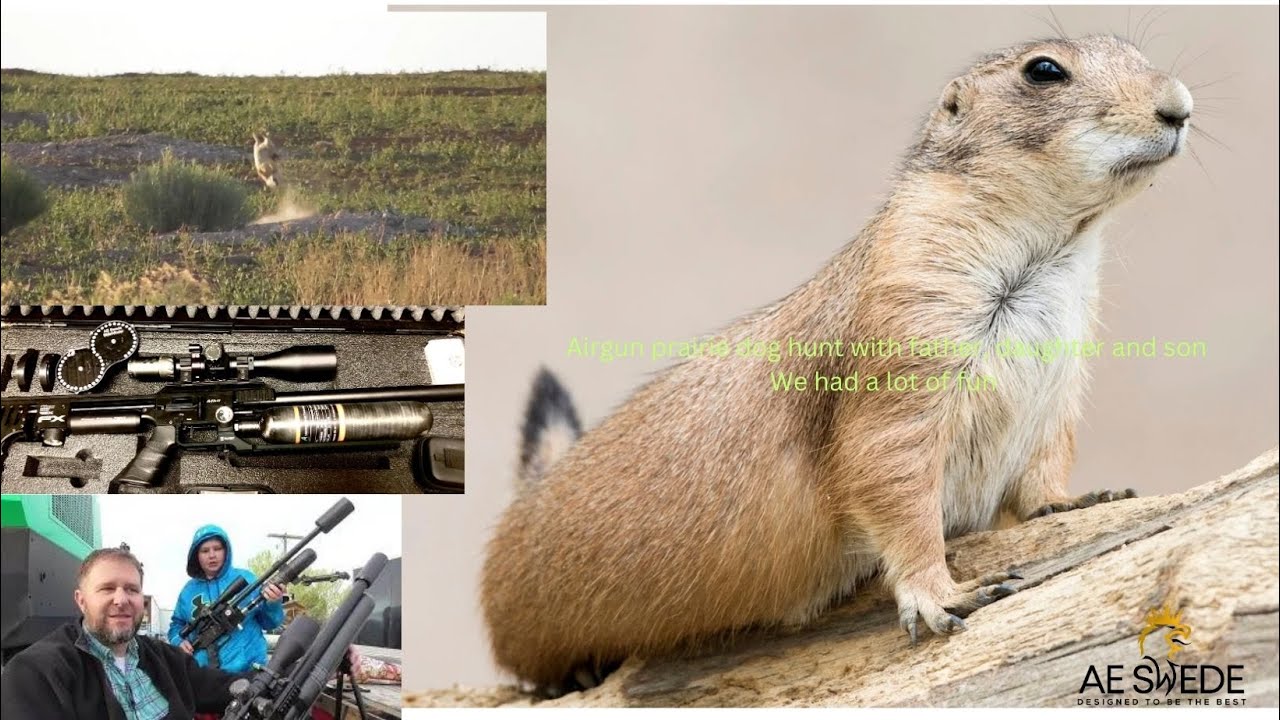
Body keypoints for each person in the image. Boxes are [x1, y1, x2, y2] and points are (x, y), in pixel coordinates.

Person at [0, 547, 242, 719]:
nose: (121, 600)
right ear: (81, 600)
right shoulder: (35, 673)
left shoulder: (167, 658)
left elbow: (222, 686)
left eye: (132, 589)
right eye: (107, 589)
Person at [169, 525, 285, 672]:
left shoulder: (246, 579)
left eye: (217, 548)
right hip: (206, 678)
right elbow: (176, 626)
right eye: (205, 551)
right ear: (196, 555)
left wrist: (273, 603)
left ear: (226, 550)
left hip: (251, 672)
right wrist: (178, 641)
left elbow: (270, 623)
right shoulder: (188, 591)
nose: (212, 555)